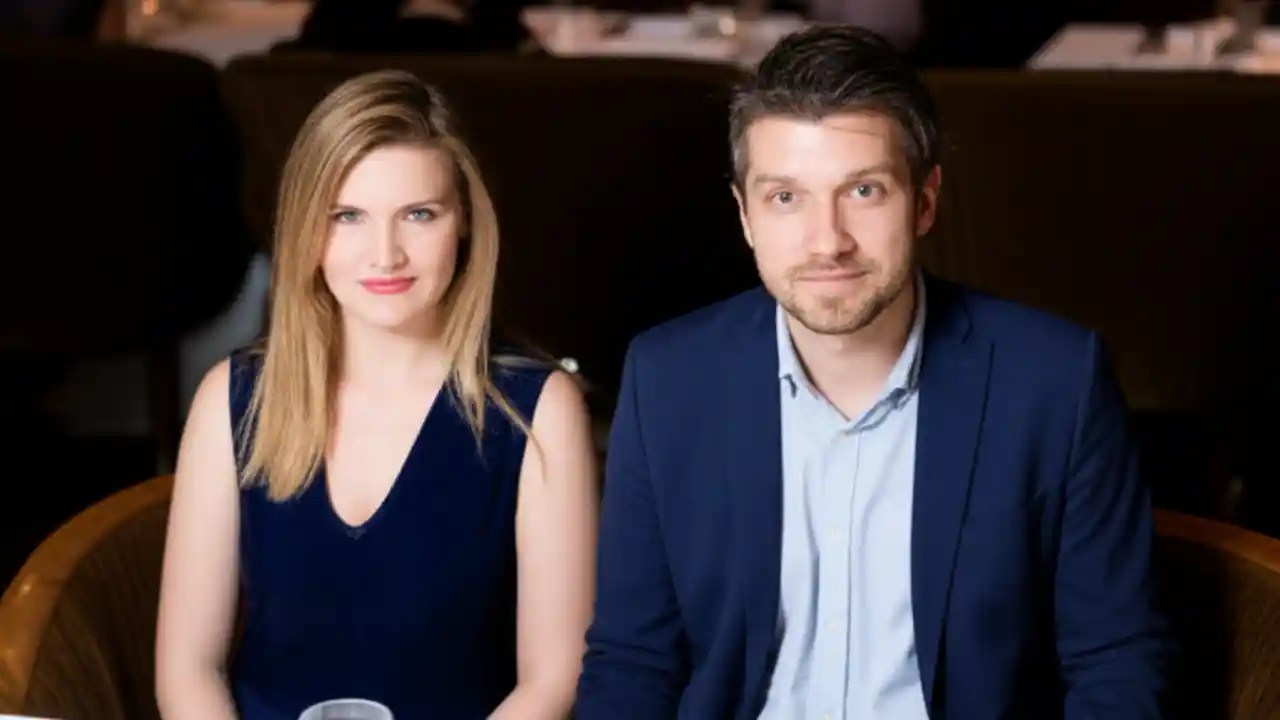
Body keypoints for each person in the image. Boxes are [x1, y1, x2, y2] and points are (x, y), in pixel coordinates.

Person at [576, 25, 1172, 720]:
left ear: (925, 201)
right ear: (745, 215)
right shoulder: (669, 378)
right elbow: (633, 662)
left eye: (863, 191)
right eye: (786, 198)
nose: (828, 241)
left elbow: (1119, 663)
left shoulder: (1056, 383)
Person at [155, 70, 599, 720]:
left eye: (418, 214)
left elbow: (554, 681)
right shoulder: (232, 399)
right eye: (347, 216)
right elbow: (187, 670)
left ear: (465, 225)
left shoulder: (538, 409)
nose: (384, 254)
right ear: (307, 231)